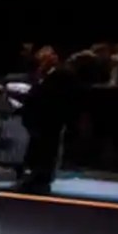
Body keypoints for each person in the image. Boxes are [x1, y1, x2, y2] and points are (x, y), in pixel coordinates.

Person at [19, 45, 76, 194]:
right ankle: (34, 176)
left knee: (48, 151)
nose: (43, 62)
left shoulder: (62, 75)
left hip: (50, 120)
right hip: (38, 120)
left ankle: (42, 179)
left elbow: (60, 99)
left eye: (46, 59)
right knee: (38, 149)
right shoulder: (42, 76)